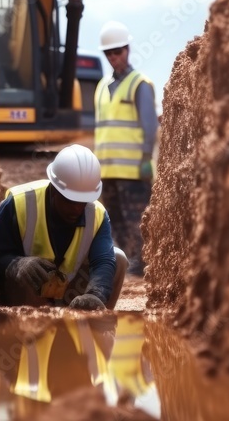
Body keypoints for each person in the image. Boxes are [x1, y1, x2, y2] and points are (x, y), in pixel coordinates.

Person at [0, 144, 127, 310]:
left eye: (82, 202)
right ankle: (28, 329)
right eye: (70, 201)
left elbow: (104, 261)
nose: (76, 209)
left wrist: (95, 295)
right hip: (27, 295)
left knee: (118, 258)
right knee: (23, 276)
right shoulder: (18, 203)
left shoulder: (97, 214)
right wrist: (17, 264)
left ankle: (96, 328)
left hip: (70, 293)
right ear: (53, 189)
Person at [93, 21, 158, 277]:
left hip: (132, 171)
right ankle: (123, 266)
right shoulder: (100, 88)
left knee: (136, 223)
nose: (113, 57)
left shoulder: (139, 84)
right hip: (107, 171)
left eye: (117, 51)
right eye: (108, 53)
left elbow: (150, 126)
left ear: (127, 50)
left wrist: (145, 158)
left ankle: (141, 267)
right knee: (114, 224)